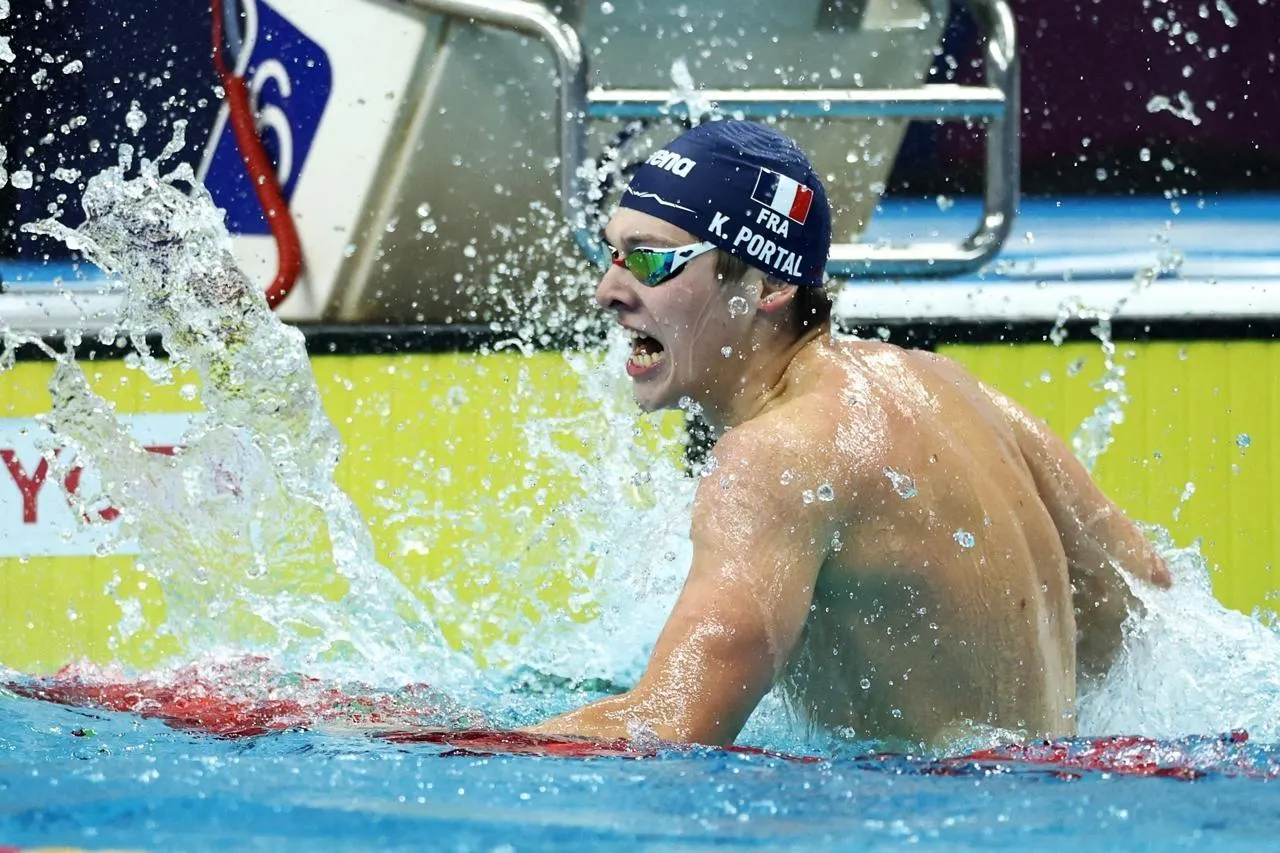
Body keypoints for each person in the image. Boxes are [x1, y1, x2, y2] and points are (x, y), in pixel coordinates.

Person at [529, 120, 1171, 748]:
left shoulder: (773, 456)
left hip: (923, 820)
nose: (607, 290)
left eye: (648, 260)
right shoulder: (951, 387)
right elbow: (1140, 583)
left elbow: (669, 729)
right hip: (1033, 799)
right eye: (613, 252)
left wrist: (446, 739)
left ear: (769, 285)